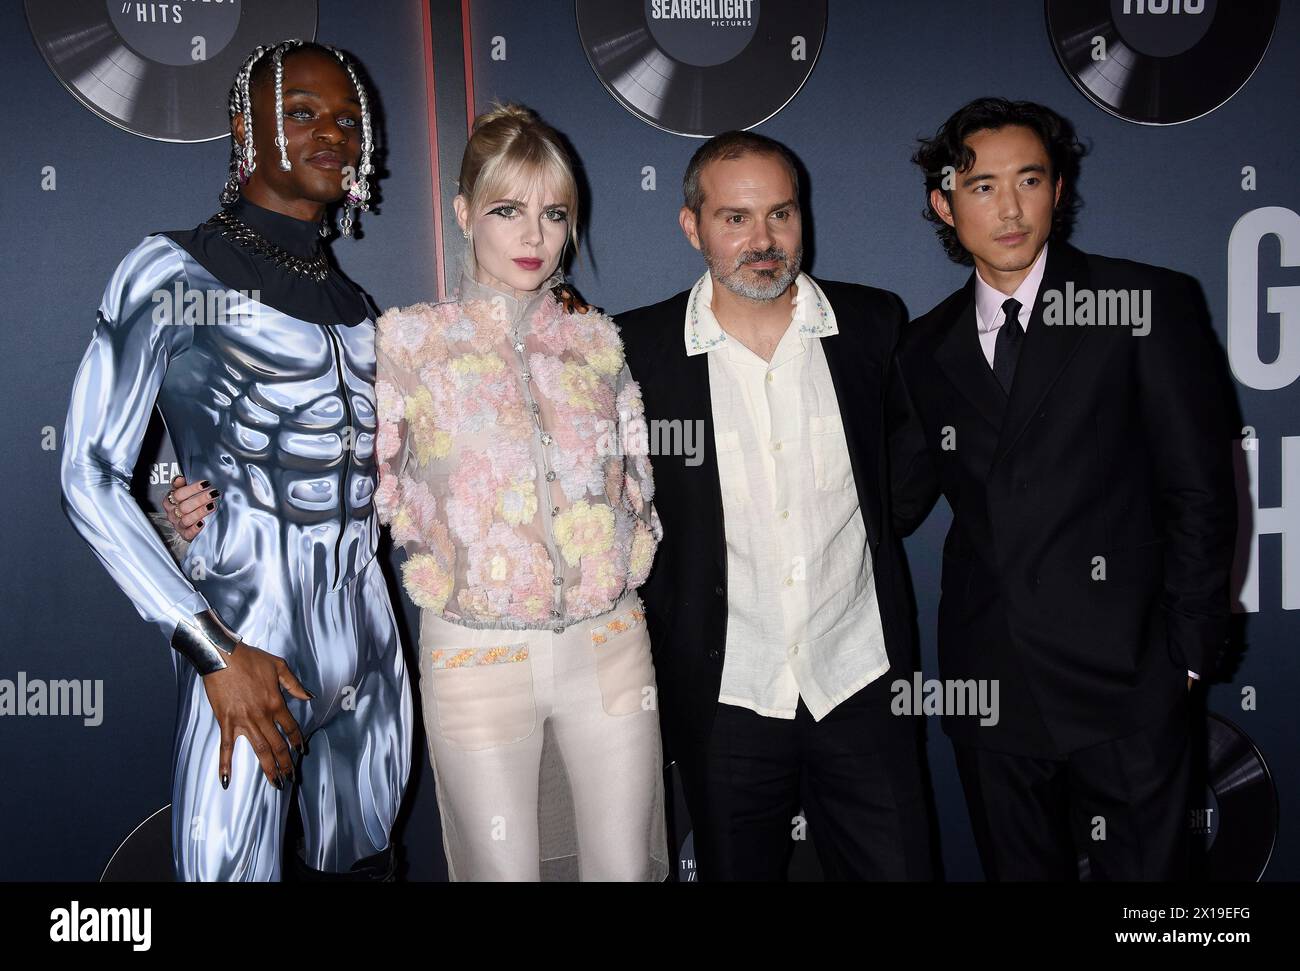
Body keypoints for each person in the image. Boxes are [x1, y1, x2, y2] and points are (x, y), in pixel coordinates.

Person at [61, 39, 412, 881]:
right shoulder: (173, 269)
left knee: (365, 869)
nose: (333, 133)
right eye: (302, 113)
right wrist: (211, 647)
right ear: (244, 129)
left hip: (366, 638)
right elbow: (87, 471)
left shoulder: (360, 307)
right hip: (247, 637)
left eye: (347, 120)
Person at [889, 97, 1237, 880]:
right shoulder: (923, 346)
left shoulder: (1143, 305)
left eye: (1030, 180)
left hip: (1127, 678)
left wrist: (1184, 655)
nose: (1009, 209)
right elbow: (895, 500)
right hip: (993, 681)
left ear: (1059, 190)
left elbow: (1202, 491)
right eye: (981, 187)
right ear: (944, 204)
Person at [617, 132, 935, 881]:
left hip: (859, 681)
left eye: (781, 215)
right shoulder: (638, 349)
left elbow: (909, 476)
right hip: (727, 694)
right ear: (692, 226)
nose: (763, 241)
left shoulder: (871, 325)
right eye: (735, 219)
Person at [376, 104, 666, 880]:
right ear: (465, 212)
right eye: (508, 209)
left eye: (554, 213)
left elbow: (638, 485)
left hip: (609, 643)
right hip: (476, 653)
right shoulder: (409, 344)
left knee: (625, 872)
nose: (535, 235)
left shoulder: (596, 341)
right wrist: (198, 518)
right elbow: (355, 490)